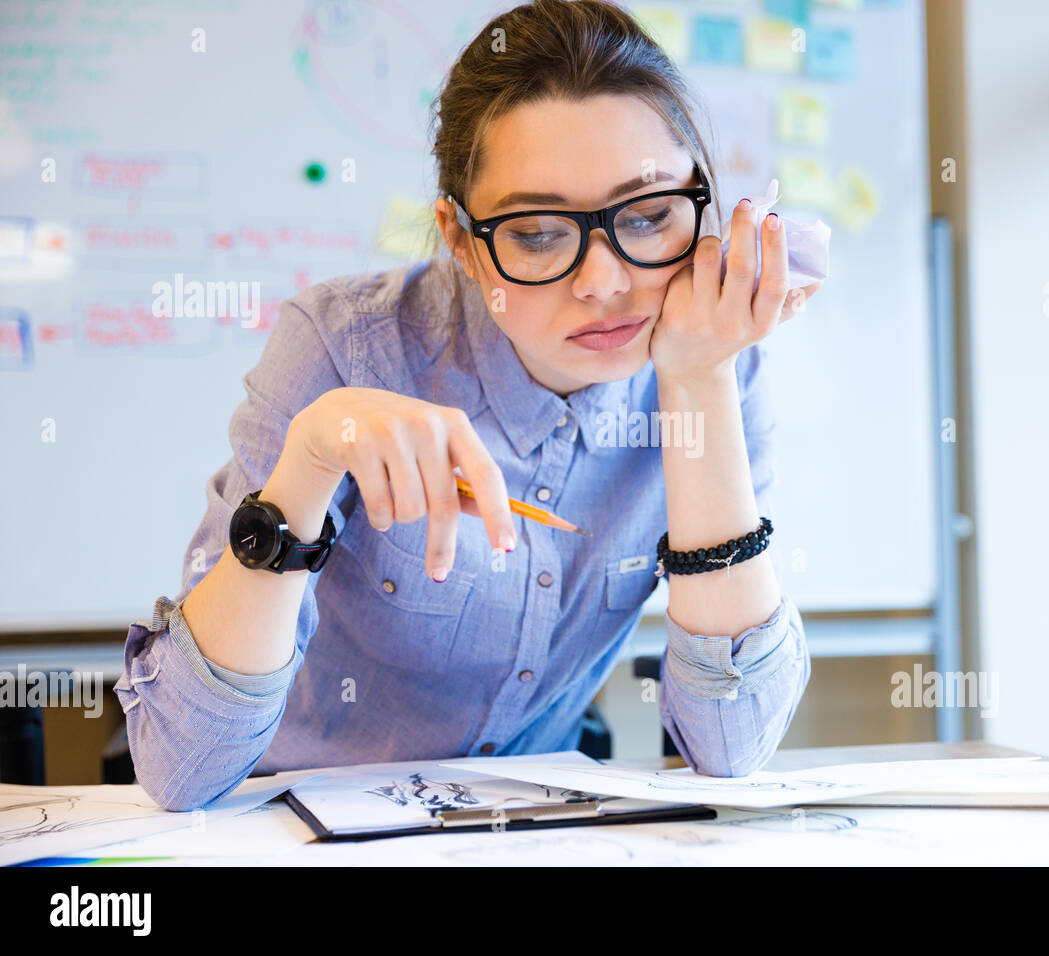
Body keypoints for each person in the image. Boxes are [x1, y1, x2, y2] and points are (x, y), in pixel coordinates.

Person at [113, 0, 818, 811]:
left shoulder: (718, 359)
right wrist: (303, 470)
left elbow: (733, 748)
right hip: (283, 826)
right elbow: (182, 770)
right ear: (459, 238)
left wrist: (698, 381)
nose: (603, 281)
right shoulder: (345, 345)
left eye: (650, 216)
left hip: (522, 827)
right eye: (538, 234)